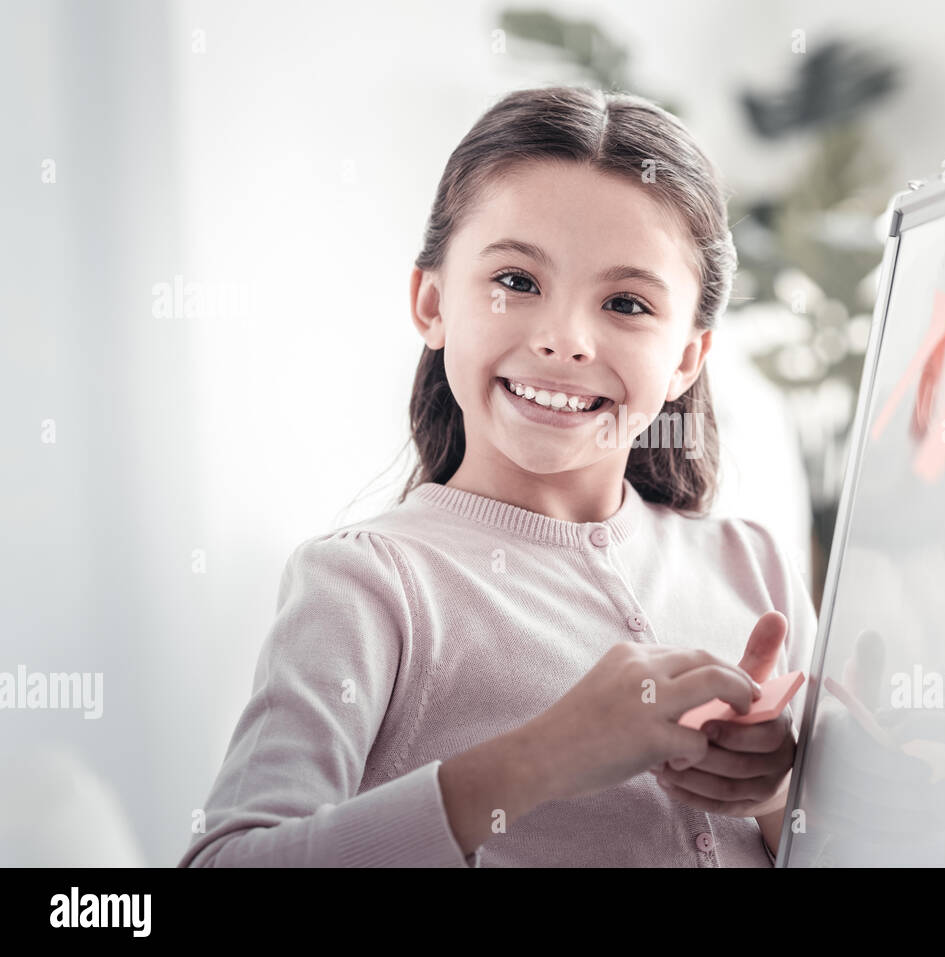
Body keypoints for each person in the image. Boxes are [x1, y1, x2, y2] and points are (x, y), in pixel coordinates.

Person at [178, 85, 815, 868]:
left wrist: (778, 798)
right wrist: (544, 756)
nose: (564, 340)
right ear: (432, 301)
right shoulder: (367, 584)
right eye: (517, 281)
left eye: (625, 301)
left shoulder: (757, 568)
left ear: (688, 356)